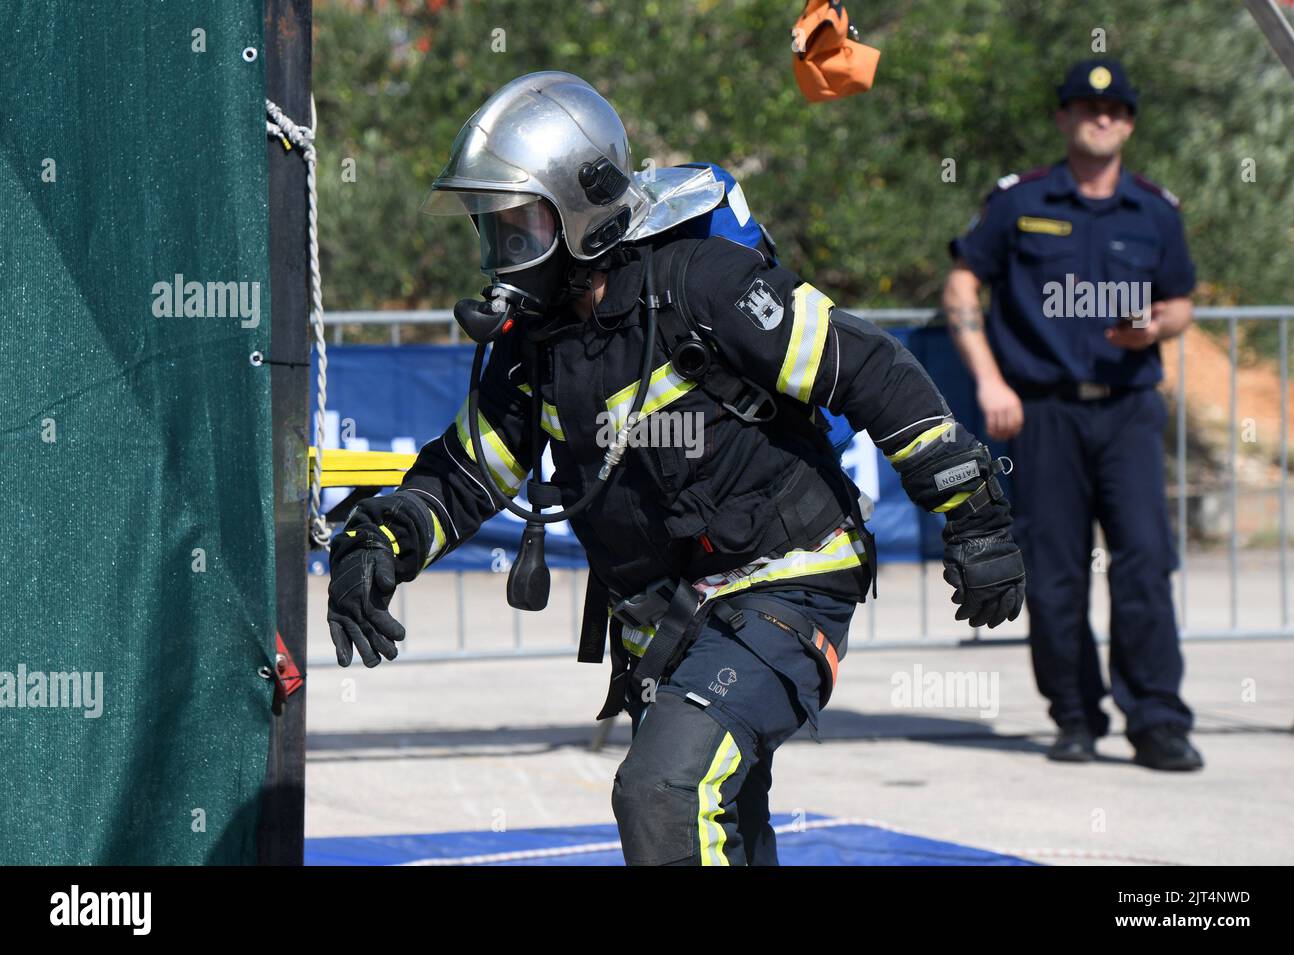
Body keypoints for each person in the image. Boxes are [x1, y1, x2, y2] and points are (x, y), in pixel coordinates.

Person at [327, 71, 1025, 865]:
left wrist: (973, 511)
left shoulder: (704, 285)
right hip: (664, 620)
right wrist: (379, 541)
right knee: (720, 826)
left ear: (582, 214)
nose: (502, 256)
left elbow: (868, 371)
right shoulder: (534, 347)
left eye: (519, 229)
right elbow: (467, 471)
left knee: (666, 793)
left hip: (785, 579)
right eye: (493, 231)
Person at [943, 59, 1202, 770]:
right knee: (1057, 572)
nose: (1102, 116)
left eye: (1116, 107)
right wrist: (992, 382)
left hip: (1128, 413)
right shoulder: (1019, 201)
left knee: (1145, 563)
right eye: (1087, 106)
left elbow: (1180, 299)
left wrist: (1159, 327)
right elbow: (964, 282)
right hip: (1045, 414)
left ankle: (1157, 720)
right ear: (1063, 118)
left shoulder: (1154, 210)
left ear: (1130, 121)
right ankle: (1075, 716)